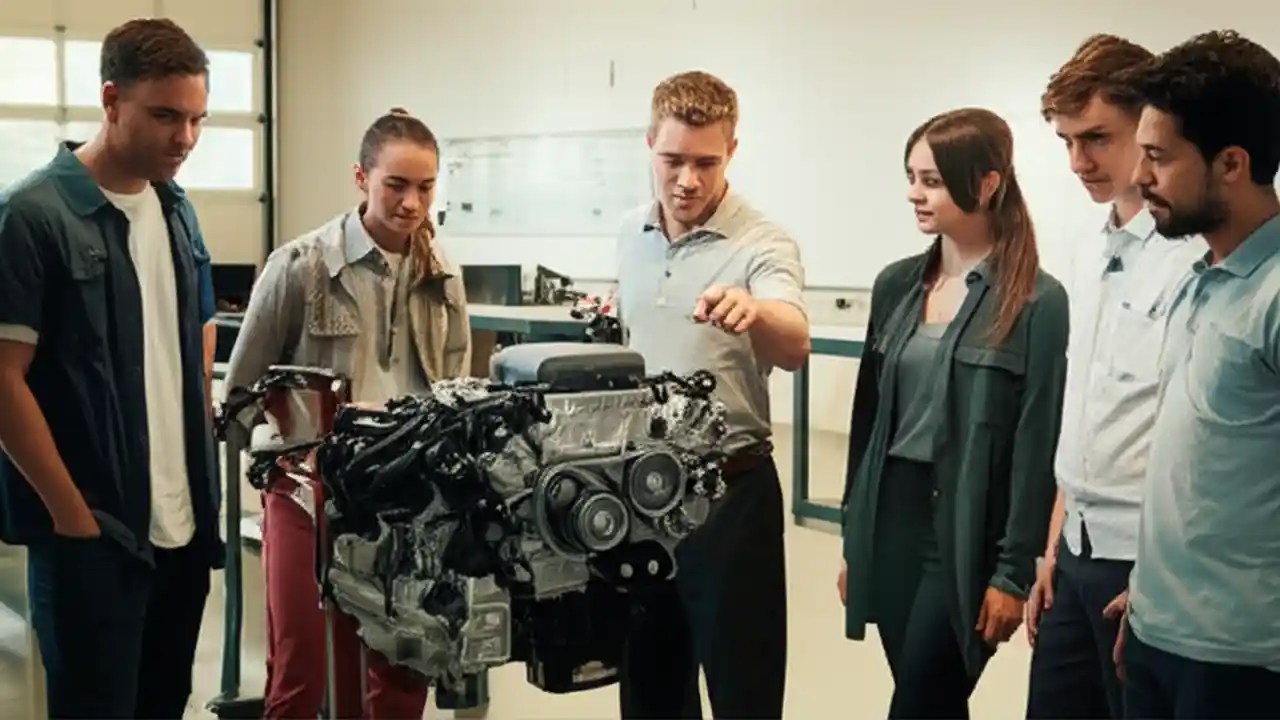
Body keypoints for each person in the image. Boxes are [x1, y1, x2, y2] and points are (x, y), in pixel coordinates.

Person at [0, 17, 219, 719]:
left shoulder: (177, 209)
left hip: (181, 533)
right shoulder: (33, 215)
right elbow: (3, 380)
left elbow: (201, 323)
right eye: (164, 116)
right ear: (111, 100)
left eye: (196, 120)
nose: (183, 138)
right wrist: (72, 517)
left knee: (164, 703)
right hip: (92, 539)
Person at [224, 108, 471, 719]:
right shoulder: (300, 267)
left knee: (402, 677)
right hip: (311, 496)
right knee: (301, 676)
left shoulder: (443, 276)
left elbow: (457, 389)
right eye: (396, 185)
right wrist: (278, 460)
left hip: (408, 503)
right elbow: (240, 395)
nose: (412, 203)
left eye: (425, 187)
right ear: (361, 177)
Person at [837, 108, 1068, 718]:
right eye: (911, 176)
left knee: (919, 702)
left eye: (932, 180)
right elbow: (867, 424)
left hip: (964, 532)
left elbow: (1034, 444)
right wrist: (853, 537)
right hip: (890, 520)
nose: (914, 193)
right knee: (933, 704)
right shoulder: (895, 286)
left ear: (987, 184)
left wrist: (1014, 571)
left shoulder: (1037, 302)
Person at [612, 70, 809, 719]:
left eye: (706, 162)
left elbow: (794, 341)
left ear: (731, 152)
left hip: (731, 497)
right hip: (640, 496)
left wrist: (755, 310)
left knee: (743, 692)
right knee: (649, 690)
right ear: (649, 145)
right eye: (672, 160)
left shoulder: (763, 242)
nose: (687, 180)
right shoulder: (630, 235)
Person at [1024, 34, 1206, 719]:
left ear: (1150, 126)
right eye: (1067, 140)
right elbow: (1086, 412)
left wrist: (1165, 577)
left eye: (1097, 137)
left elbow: (1193, 436)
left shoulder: (1193, 258)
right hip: (1074, 552)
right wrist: (1050, 551)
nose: (1079, 160)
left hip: (1147, 564)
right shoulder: (1088, 244)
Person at [1108, 29, 1280, 718]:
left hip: (1244, 662)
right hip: (1157, 633)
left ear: (1231, 163)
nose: (1138, 177)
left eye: (1158, 158)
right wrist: (1149, 594)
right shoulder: (1199, 277)